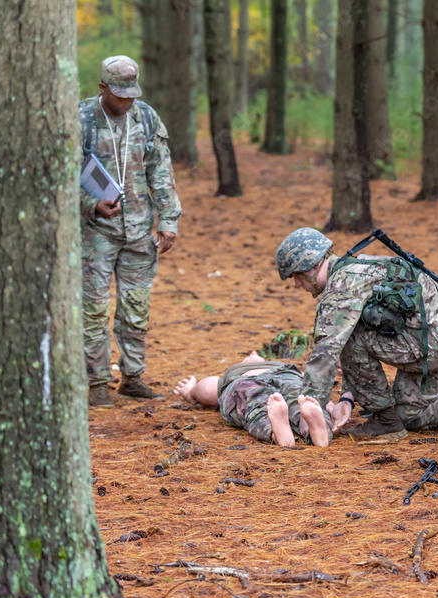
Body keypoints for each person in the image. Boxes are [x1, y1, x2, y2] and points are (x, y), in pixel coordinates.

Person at [275, 228, 438, 441]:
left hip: (434, 343)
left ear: (314, 265)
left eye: (298, 275)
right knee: (407, 417)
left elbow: (326, 353)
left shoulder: (341, 286)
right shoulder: (360, 265)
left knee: (346, 335)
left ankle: (384, 421)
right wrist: (347, 398)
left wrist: (308, 411)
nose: (297, 284)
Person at [80, 55, 183, 407]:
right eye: (119, 95)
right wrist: (89, 204)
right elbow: (61, 177)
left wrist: (169, 220)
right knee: (93, 308)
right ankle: (96, 384)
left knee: (136, 306)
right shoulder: (81, 120)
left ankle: (133, 377)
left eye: (131, 94)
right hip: (95, 233)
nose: (126, 101)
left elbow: (161, 172)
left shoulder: (147, 117)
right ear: (102, 88)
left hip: (139, 231)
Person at [173, 352, 335, 448]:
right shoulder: (236, 372)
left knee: (254, 401)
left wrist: (190, 392)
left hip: (261, 378)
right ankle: (316, 431)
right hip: (284, 376)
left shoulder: (233, 374)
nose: (252, 354)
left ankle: (277, 433)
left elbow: (207, 388)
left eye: (255, 354)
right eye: (249, 355)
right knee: (297, 397)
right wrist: (328, 406)